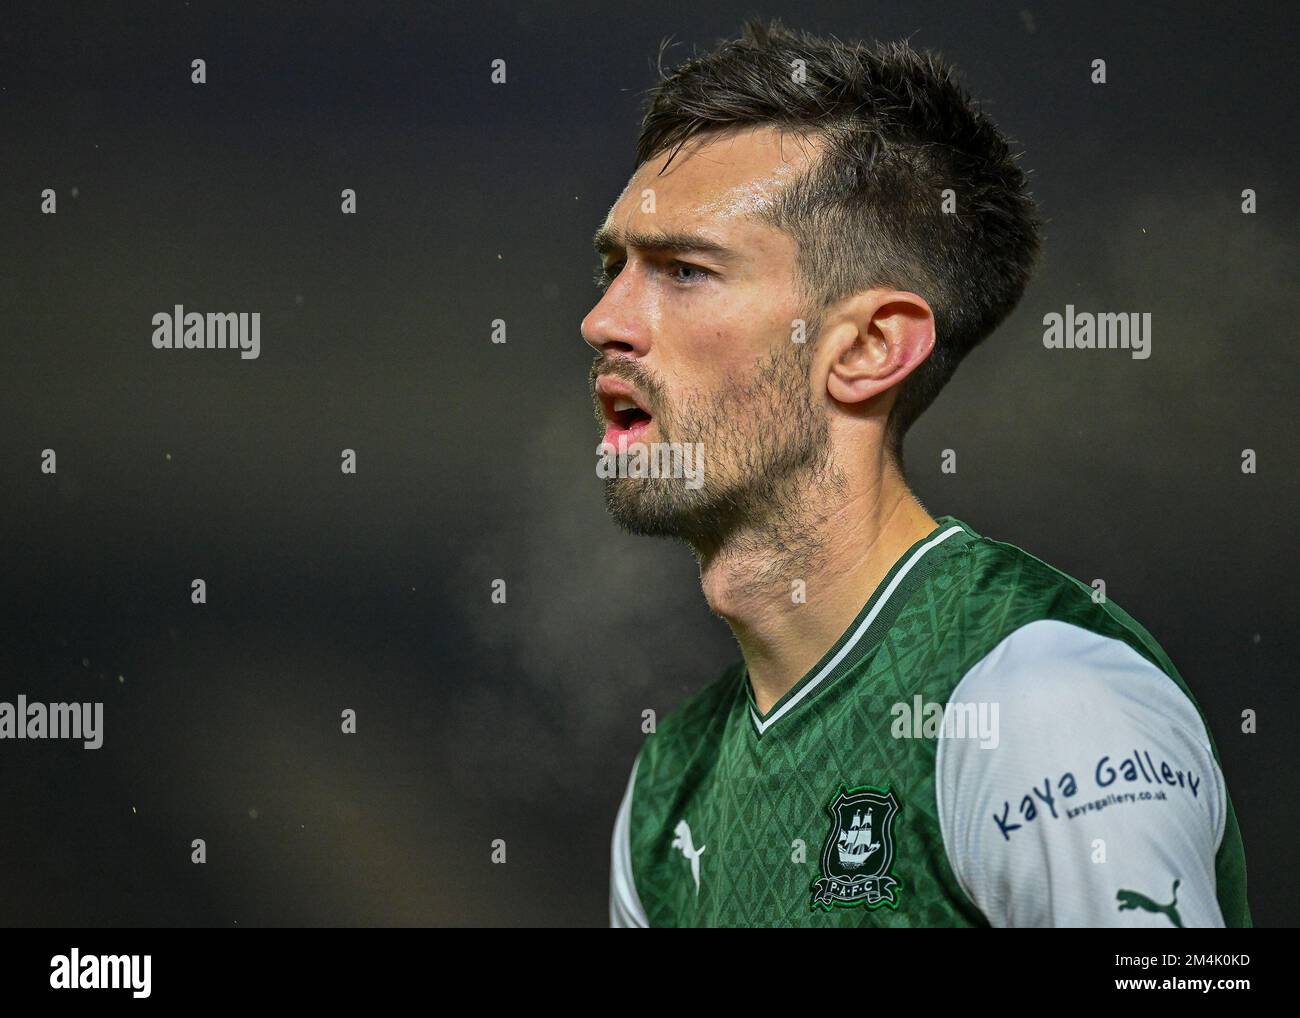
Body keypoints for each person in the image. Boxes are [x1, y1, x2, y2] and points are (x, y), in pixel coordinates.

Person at [582, 18, 1249, 927]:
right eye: (613, 265)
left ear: (866, 348)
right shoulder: (666, 797)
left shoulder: (1045, 707)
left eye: (685, 270)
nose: (604, 320)